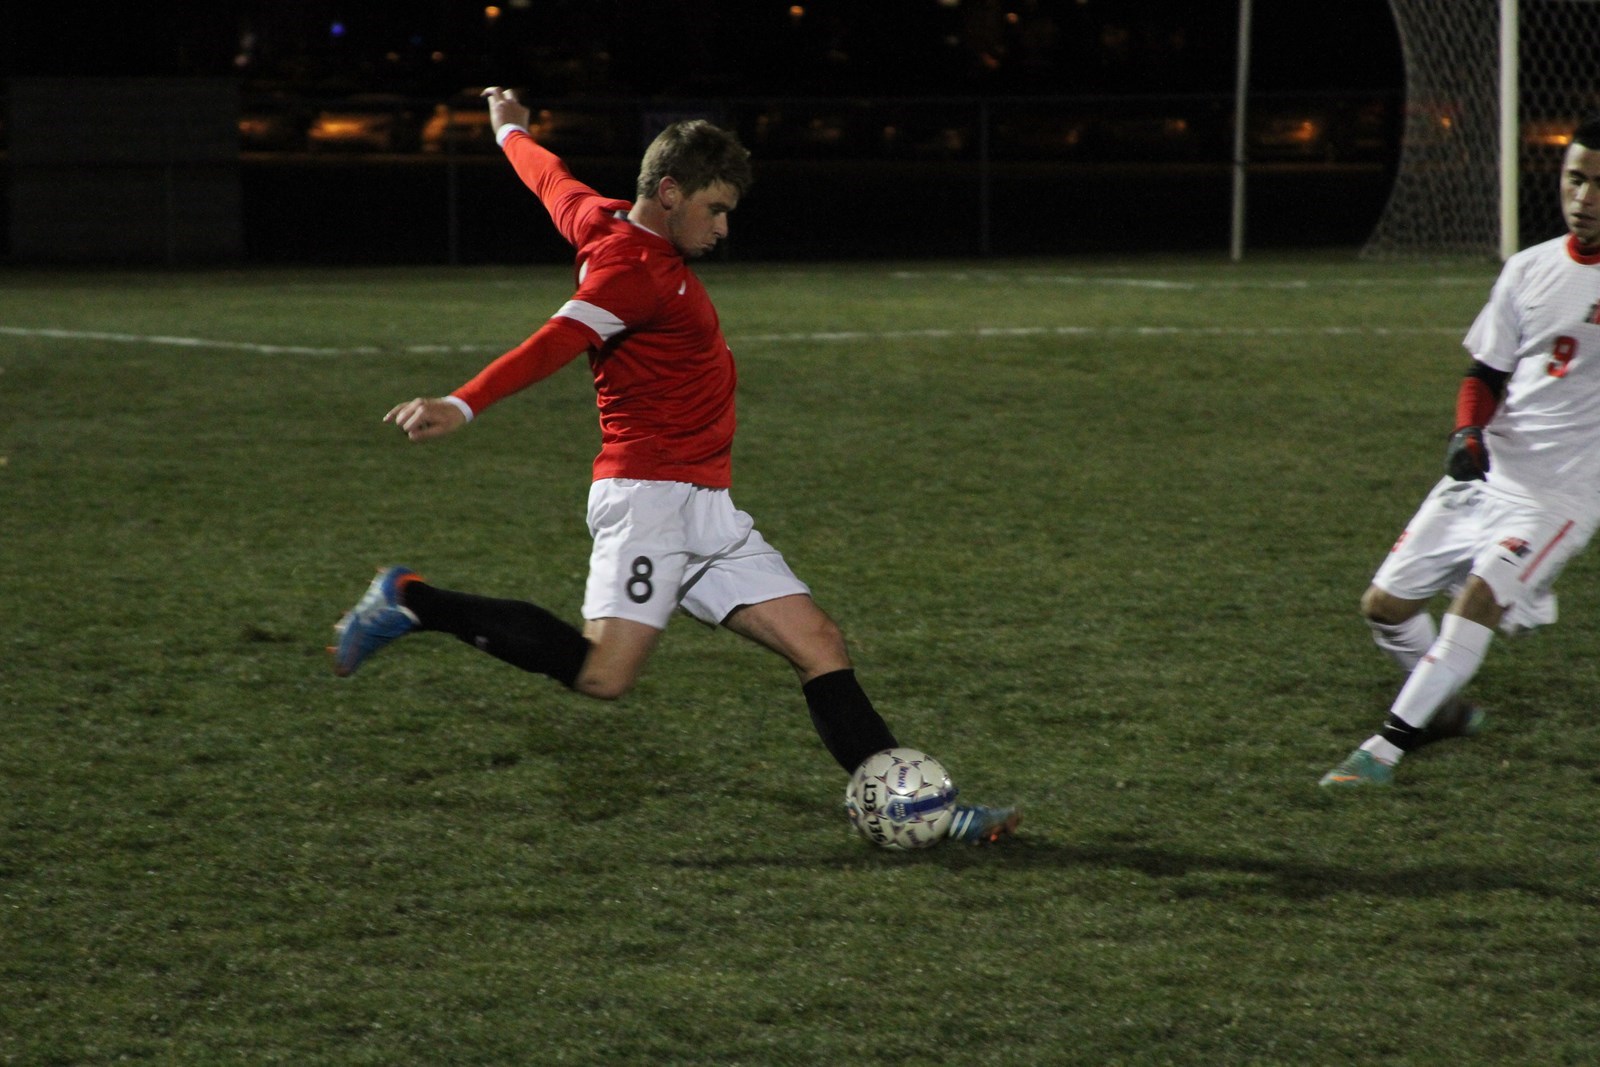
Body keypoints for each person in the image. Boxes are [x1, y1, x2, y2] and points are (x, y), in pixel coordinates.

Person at [332, 87, 1019, 842]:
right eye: (715, 209)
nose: (724, 228)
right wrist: (462, 404)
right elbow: (555, 340)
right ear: (669, 193)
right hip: (651, 499)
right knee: (604, 673)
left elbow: (549, 178)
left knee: (819, 642)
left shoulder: (601, 219)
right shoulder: (633, 271)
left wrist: (509, 131)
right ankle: (413, 600)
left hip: (707, 507)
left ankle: (925, 811)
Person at [1321, 115, 1600, 788]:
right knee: (1384, 608)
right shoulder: (1527, 269)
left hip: (1560, 493)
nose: (1585, 197)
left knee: (1476, 598)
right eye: (1575, 178)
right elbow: (1486, 374)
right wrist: (1467, 432)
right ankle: (1440, 708)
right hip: (1490, 472)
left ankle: (1382, 751)